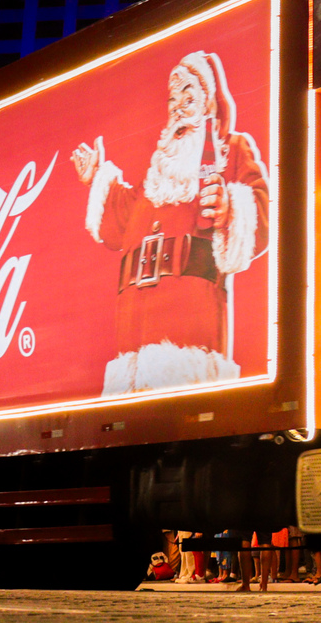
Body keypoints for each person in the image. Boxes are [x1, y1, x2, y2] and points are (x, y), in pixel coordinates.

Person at [72, 51, 272, 395]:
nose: (178, 106)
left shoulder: (231, 151)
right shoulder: (157, 173)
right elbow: (122, 219)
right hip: (133, 345)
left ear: (208, 104)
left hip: (191, 338)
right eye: (172, 99)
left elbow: (260, 214)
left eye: (188, 97)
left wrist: (228, 207)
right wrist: (97, 179)